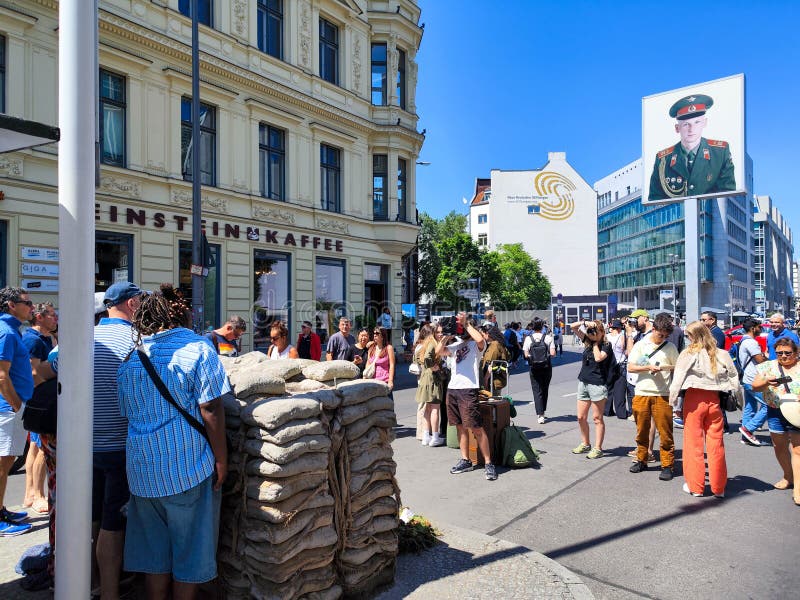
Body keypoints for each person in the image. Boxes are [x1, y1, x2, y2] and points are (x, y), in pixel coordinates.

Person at [118, 284, 229, 597]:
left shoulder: (131, 359)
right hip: (187, 467)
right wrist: (221, 459)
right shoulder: (198, 349)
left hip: (142, 471)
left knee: (155, 555)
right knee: (190, 551)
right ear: (180, 314)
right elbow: (211, 408)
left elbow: (128, 412)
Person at [92, 281, 144, 599]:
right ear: (133, 304)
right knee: (113, 523)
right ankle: (110, 592)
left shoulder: (81, 335)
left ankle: (91, 581)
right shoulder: (136, 340)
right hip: (121, 447)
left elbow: (47, 369)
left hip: (83, 446)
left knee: (91, 516)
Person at [669, 321, 741, 498]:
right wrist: (739, 401)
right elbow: (734, 377)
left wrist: (672, 401)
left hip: (694, 400)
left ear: (693, 336)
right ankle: (719, 487)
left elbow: (677, 379)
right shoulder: (721, 353)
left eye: (688, 336)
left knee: (693, 444)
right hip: (714, 400)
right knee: (716, 443)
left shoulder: (688, 353)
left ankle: (696, 486)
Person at [439, 313, 497, 481]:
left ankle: (488, 463)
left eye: (463, 327)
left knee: (476, 428)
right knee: (459, 427)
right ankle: (465, 460)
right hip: (453, 390)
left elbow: (480, 340)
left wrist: (466, 325)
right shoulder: (456, 345)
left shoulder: (476, 345)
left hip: (468, 390)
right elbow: (439, 351)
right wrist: (445, 336)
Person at [648, 93, 736, 201]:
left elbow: (728, 195)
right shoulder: (663, 159)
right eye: (686, 124)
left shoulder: (720, 152)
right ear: (677, 128)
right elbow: (655, 200)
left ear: (705, 123)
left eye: (697, 122)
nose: (691, 129)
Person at [627, 313, 679, 480]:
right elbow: (631, 367)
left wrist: (669, 369)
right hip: (642, 392)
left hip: (663, 393)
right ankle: (641, 459)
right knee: (641, 429)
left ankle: (667, 465)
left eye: (665, 336)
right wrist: (648, 367)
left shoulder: (670, 347)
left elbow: (677, 367)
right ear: (654, 329)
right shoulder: (641, 345)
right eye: (660, 334)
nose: (662, 338)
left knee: (665, 432)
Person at [0, 287, 35, 536]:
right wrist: (17, 406)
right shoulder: (6, 333)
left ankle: (1, 509)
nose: (31, 307)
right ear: (11, 305)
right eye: (27, 302)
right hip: (8, 410)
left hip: (12, 408)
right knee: (3, 464)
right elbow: (2, 376)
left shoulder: (11, 330)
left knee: (7, 461)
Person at [751, 337, 800, 505]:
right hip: (775, 410)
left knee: (797, 450)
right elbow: (754, 386)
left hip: (797, 411)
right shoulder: (768, 366)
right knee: (779, 447)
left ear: (796, 352)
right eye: (780, 353)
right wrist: (765, 382)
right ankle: (788, 476)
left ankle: (798, 489)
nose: (784, 356)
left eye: (788, 353)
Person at [21, 302, 57, 517]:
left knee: (35, 447)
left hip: (39, 400)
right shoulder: (33, 340)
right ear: (39, 317)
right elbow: (33, 372)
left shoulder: (42, 338)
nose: (56, 319)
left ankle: (29, 494)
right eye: (52, 315)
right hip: (41, 400)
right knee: (42, 449)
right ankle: (37, 494)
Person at [570, 319, 612, 459]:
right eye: (591, 332)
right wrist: (586, 322)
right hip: (584, 382)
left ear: (602, 332)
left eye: (596, 331)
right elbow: (573, 327)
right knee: (580, 417)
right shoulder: (587, 340)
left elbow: (599, 358)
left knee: (597, 418)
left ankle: (598, 448)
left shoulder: (606, 345)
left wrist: (595, 343)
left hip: (598, 384)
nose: (592, 334)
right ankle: (585, 443)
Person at [737, 319, 768, 446]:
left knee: (750, 407)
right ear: (753, 328)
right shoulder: (751, 342)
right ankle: (748, 429)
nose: (761, 329)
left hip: (747, 378)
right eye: (760, 326)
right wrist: (765, 356)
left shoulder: (743, 340)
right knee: (769, 405)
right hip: (753, 379)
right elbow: (760, 360)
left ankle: (745, 436)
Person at [414, 325, 444, 447]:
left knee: (427, 409)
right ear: (433, 333)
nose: (440, 334)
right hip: (432, 377)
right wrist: (433, 366)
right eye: (438, 332)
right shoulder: (432, 342)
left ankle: (427, 436)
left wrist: (427, 366)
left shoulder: (426, 342)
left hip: (425, 377)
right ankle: (435, 437)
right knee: (435, 409)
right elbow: (427, 358)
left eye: (441, 332)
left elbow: (418, 357)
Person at [523, 318, 555, 424]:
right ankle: (543, 412)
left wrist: (533, 357)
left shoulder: (528, 338)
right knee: (545, 389)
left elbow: (525, 354)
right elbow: (553, 354)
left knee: (536, 390)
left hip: (534, 367)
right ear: (542, 327)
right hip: (546, 366)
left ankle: (540, 415)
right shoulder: (548, 338)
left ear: (532, 327)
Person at [605, 320, 630, 419]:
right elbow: (626, 350)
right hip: (620, 365)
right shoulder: (622, 336)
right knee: (619, 389)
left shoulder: (606, 336)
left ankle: (607, 410)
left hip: (608, 366)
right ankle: (621, 412)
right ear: (620, 328)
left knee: (608, 388)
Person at [480, 323, 511, 395]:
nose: (482, 337)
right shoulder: (499, 343)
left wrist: (485, 380)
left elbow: (490, 364)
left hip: (492, 380)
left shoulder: (494, 345)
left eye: (483, 334)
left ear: (487, 334)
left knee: (492, 402)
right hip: (498, 379)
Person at [363, 326, 395, 392]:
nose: (375, 335)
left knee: (387, 402)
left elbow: (392, 365)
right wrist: (365, 377)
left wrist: (390, 381)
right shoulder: (371, 348)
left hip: (384, 381)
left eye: (377, 333)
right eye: (374, 333)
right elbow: (368, 363)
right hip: (372, 381)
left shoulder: (388, 348)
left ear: (383, 336)